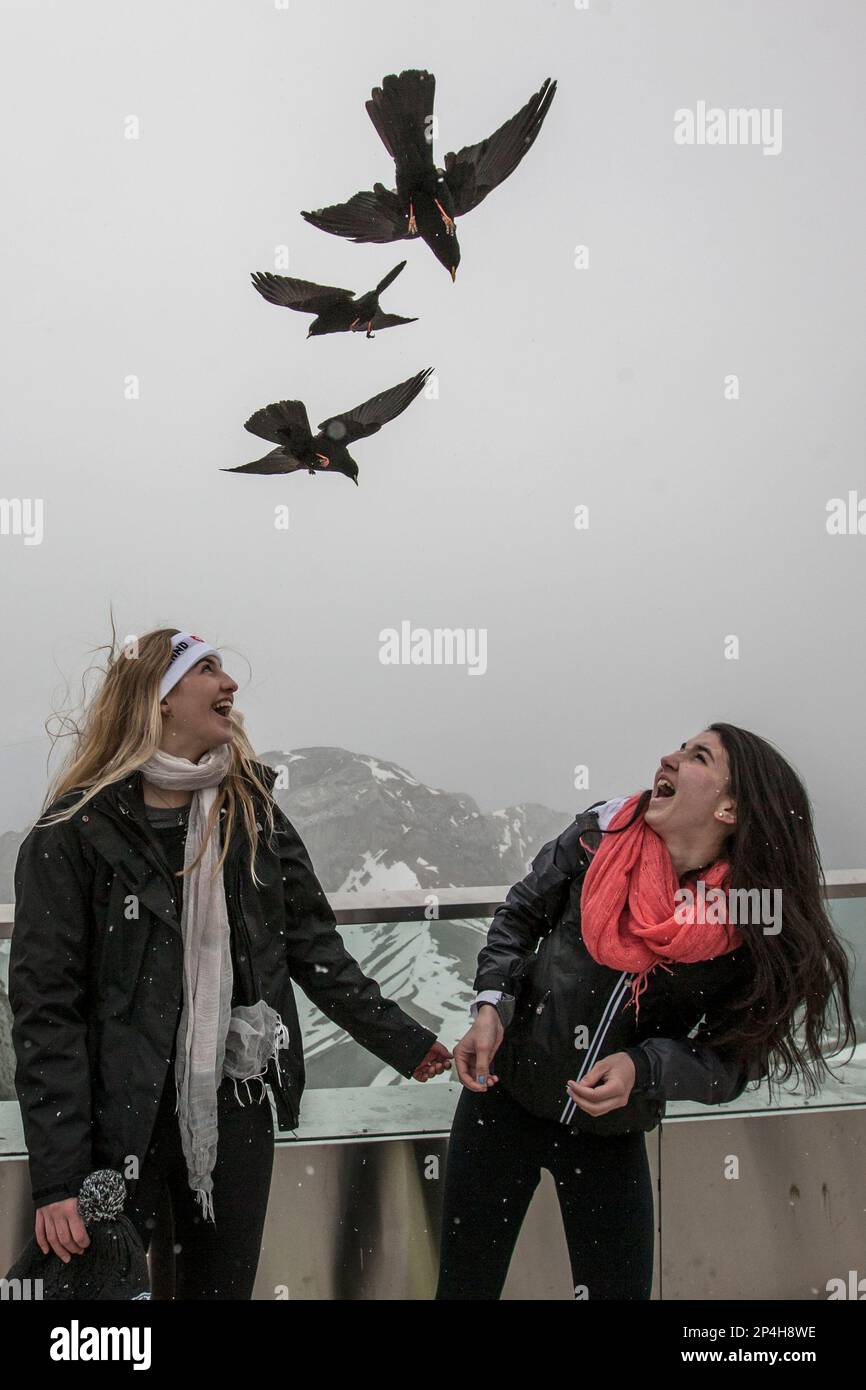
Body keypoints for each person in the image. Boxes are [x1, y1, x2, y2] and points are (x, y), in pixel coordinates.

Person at [10, 626, 451, 1300]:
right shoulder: (73, 834)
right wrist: (58, 1180)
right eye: (207, 669)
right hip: (117, 1123)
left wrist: (406, 1041)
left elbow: (312, 945)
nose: (231, 684)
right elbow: (48, 1013)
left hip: (236, 1110)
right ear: (158, 697)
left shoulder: (252, 815)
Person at [436, 725, 855, 1300]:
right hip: (500, 1104)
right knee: (464, 1289)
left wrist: (646, 1067)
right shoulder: (598, 835)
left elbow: (735, 1061)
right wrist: (492, 1006)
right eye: (681, 748)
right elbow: (519, 918)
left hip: (609, 1137)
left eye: (697, 757)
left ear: (731, 807)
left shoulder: (748, 919)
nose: (670, 758)